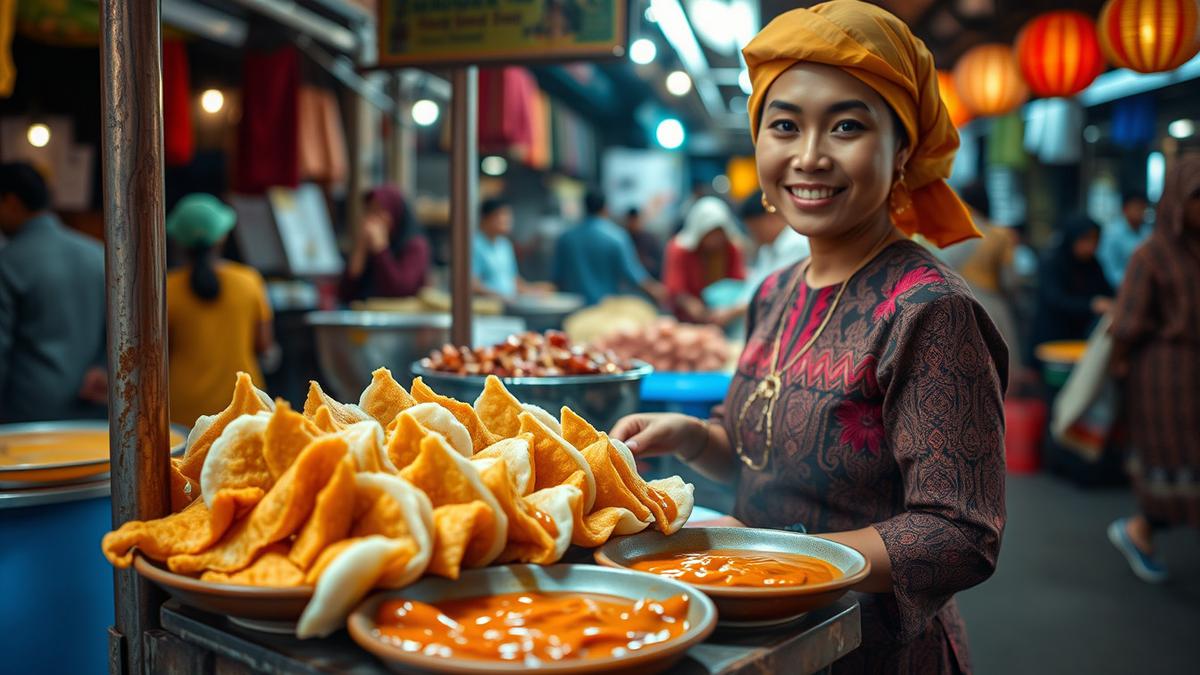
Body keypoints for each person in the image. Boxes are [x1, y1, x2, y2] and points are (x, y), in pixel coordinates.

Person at [611, 3, 1007, 672]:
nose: (810, 155)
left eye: (847, 125)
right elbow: (764, 455)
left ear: (902, 148)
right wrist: (693, 436)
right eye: (785, 125)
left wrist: (775, 555)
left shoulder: (929, 309)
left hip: (874, 649)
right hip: (764, 632)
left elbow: (959, 533)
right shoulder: (777, 288)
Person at [1106, 155, 1200, 584]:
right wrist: (1119, 365)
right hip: (1166, 379)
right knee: (1173, 461)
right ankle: (1140, 530)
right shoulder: (1152, 255)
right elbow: (1126, 324)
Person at [0, 162, 106, 422]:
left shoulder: (9, 262)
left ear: (11, 202)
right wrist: (103, 367)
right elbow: (123, 333)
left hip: (28, 416)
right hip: (94, 410)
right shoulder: (98, 254)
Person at [165, 194, 274, 427]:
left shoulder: (166, 289)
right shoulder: (249, 281)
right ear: (222, 236)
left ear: (179, 241)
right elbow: (264, 345)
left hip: (183, 410)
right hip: (244, 405)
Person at [944, 182, 1022, 382]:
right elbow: (1009, 281)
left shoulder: (948, 232)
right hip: (992, 309)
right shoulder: (999, 235)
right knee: (997, 377)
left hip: (954, 309)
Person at [553, 190, 667, 306]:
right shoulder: (617, 237)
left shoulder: (566, 238)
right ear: (605, 208)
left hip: (574, 308)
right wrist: (656, 290)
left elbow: (557, 278)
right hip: (604, 308)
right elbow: (633, 274)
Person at [1028, 214, 1112, 365]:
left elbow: (1107, 291)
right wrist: (1091, 305)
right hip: (1053, 336)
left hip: (1081, 337)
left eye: (1095, 240)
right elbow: (1056, 300)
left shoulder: (1093, 263)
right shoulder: (1052, 261)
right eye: (1085, 239)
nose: (1091, 245)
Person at [662, 196, 747, 323]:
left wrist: (728, 309)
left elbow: (737, 282)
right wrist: (691, 305)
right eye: (710, 234)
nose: (715, 240)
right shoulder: (680, 249)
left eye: (719, 233)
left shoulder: (731, 249)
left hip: (723, 316)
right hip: (686, 319)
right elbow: (674, 287)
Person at [339, 185, 429, 303]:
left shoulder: (415, 246)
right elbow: (345, 294)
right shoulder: (367, 247)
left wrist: (381, 250)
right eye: (369, 211)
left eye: (379, 211)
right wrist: (360, 251)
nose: (373, 218)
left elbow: (398, 290)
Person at [472, 197, 552, 298]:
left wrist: (532, 290)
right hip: (488, 306)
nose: (506, 220)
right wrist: (500, 296)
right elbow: (472, 284)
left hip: (509, 303)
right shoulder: (474, 245)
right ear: (485, 218)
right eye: (500, 215)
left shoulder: (505, 245)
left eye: (508, 215)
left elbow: (513, 280)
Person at [739, 191, 809, 292]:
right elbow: (755, 287)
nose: (754, 235)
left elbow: (777, 291)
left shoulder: (795, 244)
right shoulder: (767, 248)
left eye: (755, 229)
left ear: (771, 217)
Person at [1097, 190, 1150, 288]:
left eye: (1143, 208)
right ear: (1124, 209)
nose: (1141, 212)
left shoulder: (1147, 232)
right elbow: (1108, 268)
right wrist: (1131, 286)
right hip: (1120, 288)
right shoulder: (1112, 234)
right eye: (1137, 208)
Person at [624, 207, 664, 280]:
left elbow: (660, 263)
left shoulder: (651, 239)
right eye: (631, 220)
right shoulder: (623, 239)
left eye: (636, 220)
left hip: (650, 278)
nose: (634, 224)